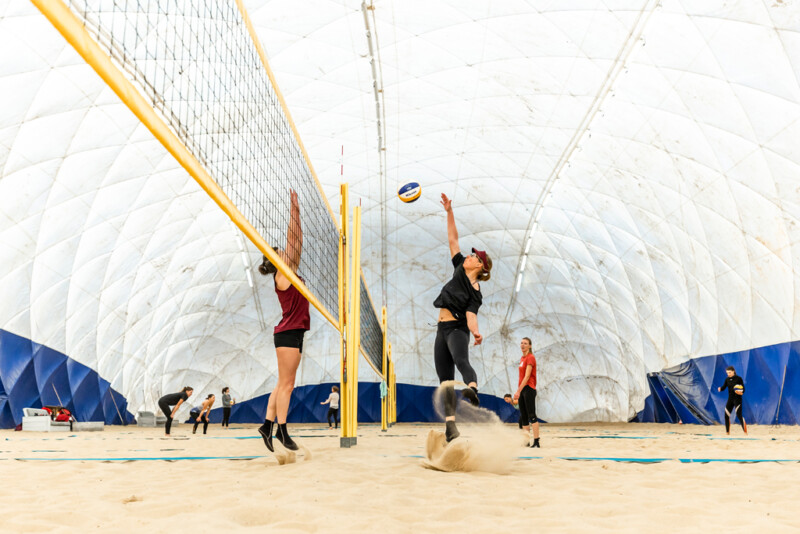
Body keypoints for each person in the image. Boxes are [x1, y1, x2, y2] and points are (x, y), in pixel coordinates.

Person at [433, 193, 492, 442]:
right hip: (441, 329)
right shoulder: (459, 266)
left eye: (474, 257)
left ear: (480, 266)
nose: (469, 256)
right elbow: (453, 239)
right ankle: (450, 427)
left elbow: (471, 316)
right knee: (445, 381)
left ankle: (473, 390)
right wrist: (449, 211)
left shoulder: (476, 291)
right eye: (471, 254)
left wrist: (476, 332)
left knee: (461, 360)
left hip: (457, 329)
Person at [256, 189, 308, 452]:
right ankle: (282, 432)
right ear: (276, 259)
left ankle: (267, 426)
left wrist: (297, 213)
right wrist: (293, 209)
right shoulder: (282, 277)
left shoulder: (289, 272)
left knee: (283, 382)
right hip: (288, 333)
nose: (286, 251)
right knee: (287, 384)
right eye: (280, 251)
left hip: (294, 332)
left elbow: (297, 241)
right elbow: (293, 239)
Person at [513, 337, 540, 447]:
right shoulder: (522, 358)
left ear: (530, 346)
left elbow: (527, 376)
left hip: (529, 388)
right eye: (521, 343)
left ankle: (537, 441)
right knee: (523, 416)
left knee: (532, 415)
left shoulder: (530, 358)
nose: (523, 345)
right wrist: (519, 390)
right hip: (522, 389)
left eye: (525, 343)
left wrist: (518, 391)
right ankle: (526, 441)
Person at [718, 366, 747, 435]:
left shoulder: (739, 379)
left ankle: (745, 432)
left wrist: (740, 392)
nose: (728, 374)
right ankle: (727, 432)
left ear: (733, 371)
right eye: (727, 373)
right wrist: (720, 389)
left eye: (729, 372)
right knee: (726, 415)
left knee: (739, 415)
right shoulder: (727, 379)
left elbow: (743, 389)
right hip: (730, 399)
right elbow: (724, 387)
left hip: (737, 399)